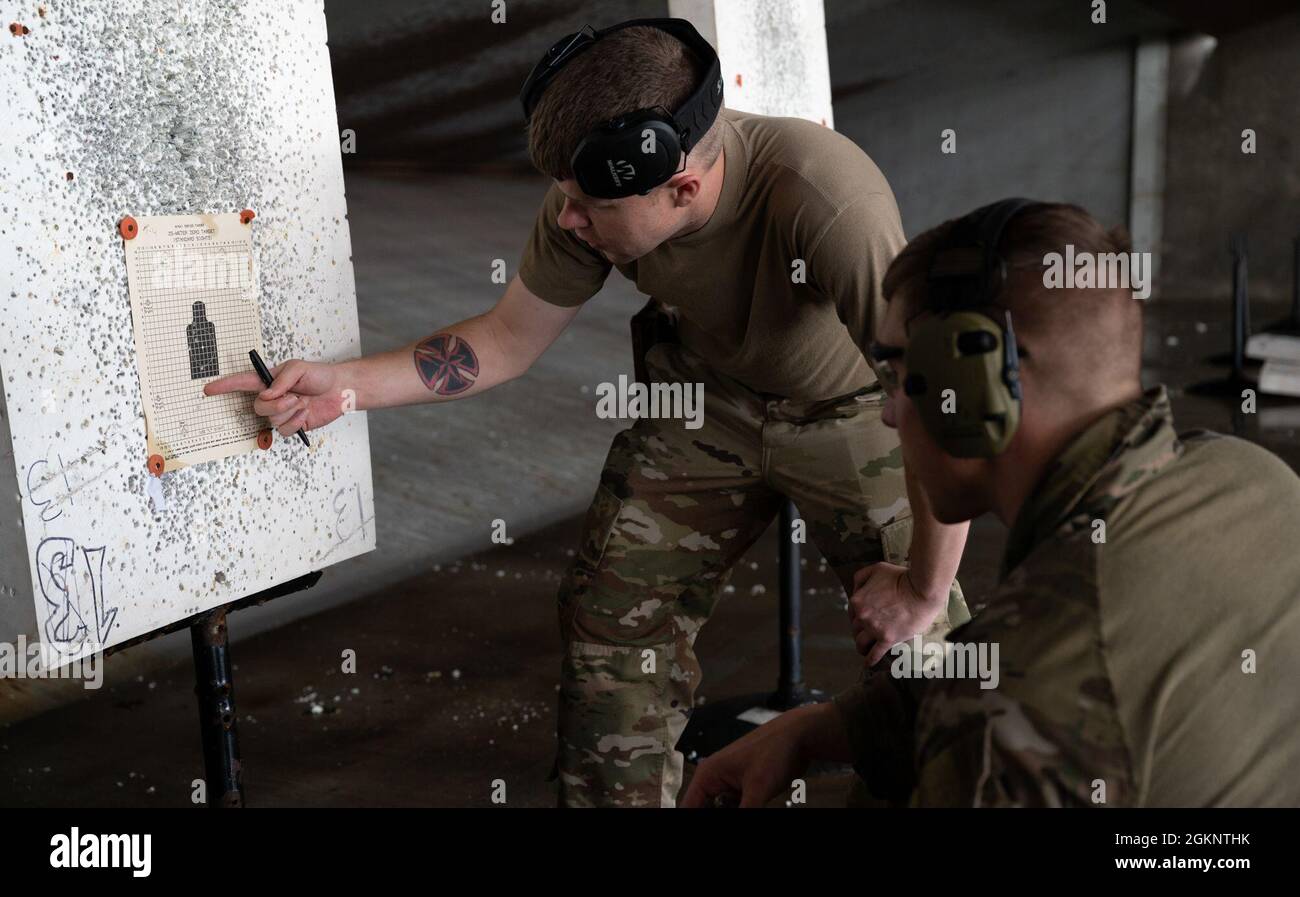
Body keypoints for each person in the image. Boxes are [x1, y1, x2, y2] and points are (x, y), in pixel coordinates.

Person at [205, 18, 971, 808]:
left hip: (855, 409)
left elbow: (941, 406)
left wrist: (918, 589)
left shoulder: (824, 197)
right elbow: (504, 340)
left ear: (684, 188)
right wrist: (343, 386)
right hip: (706, 402)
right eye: (566, 199)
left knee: (928, 652)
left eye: (587, 207)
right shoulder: (596, 190)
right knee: (612, 620)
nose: (567, 220)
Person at [682, 199, 1300, 808]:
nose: (890, 411)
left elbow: (1025, 680)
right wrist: (819, 728)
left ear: (972, 384)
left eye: (898, 374)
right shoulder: (1251, 475)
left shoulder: (1016, 703)